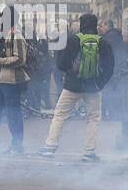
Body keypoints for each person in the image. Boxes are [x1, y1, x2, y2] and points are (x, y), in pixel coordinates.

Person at [39, 13, 116, 161]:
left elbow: (61, 64)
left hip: (72, 85)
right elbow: (109, 67)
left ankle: (50, 146)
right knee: (93, 118)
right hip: (93, 87)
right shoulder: (103, 42)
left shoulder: (73, 40)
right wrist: (100, 83)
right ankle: (89, 151)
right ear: (95, 25)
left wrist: (69, 74)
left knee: (60, 115)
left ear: (82, 25)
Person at [0, 15, 30, 153]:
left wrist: (0, 60)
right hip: (2, 80)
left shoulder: (17, 36)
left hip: (13, 81)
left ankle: (17, 145)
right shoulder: (6, 36)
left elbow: (20, 59)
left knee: (13, 114)